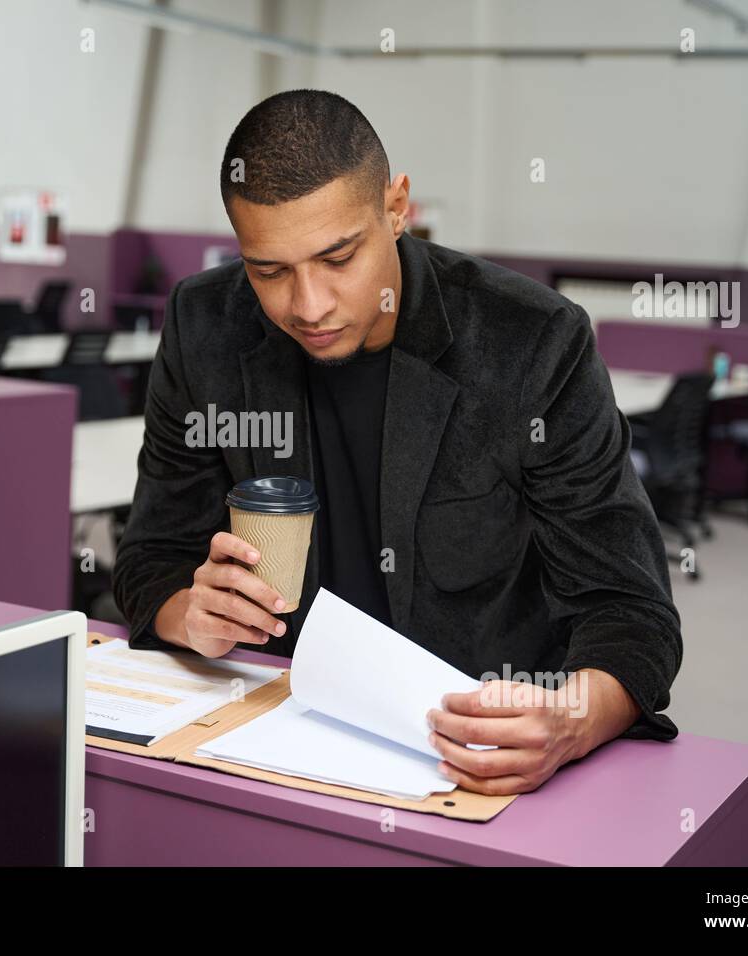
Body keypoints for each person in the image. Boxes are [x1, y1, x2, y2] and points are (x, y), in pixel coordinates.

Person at [112, 90, 682, 795]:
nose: (309, 305)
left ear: (396, 206)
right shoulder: (205, 327)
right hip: (276, 741)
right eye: (269, 271)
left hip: (474, 755)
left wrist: (569, 719)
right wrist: (188, 614)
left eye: (339, 256)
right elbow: (150, 558)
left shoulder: (531, 343)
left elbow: (631, 610)